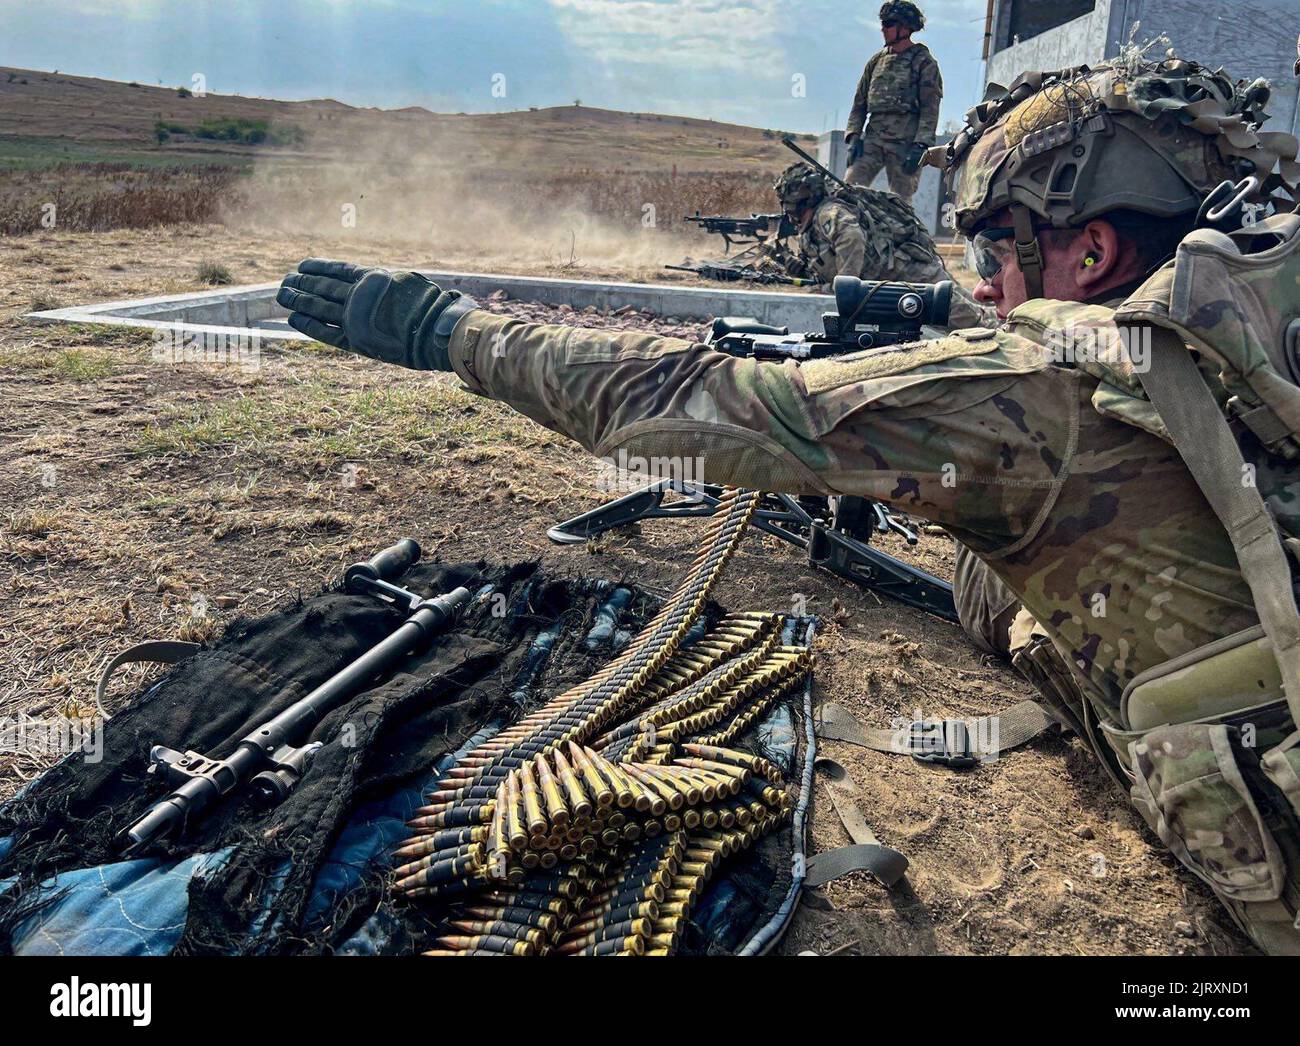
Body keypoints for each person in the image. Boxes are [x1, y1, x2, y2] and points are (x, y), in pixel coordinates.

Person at [278, 57, 1300, 954]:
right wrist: (943, 329)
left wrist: (454, 332)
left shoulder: (1042, 390)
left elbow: (703, 404)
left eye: (998, 254)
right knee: (1007, 589)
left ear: (1092, 256)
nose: (986, 287)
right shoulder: (1253, 321)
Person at [772, 161, 987, 326]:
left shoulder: (827, 213)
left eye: (790, 205)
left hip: (908, 271)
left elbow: (851, 237)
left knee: (958, 311)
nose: (788, 212)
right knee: (961, 306)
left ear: (804, 200)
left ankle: (1003, 332)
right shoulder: (810, 225)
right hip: (893, 281)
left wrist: (846, 287)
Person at [844, 2, 940, 203]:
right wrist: (853, 137)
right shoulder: (876, 61)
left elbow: (930, 109)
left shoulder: (923, 62)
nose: (883, 29)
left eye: (889, 24)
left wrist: (920, 146)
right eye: (883, 24)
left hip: (905, 144)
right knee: (847, 192)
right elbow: (859, 103)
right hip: (872, 140)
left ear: (905, 27)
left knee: (900, 204)